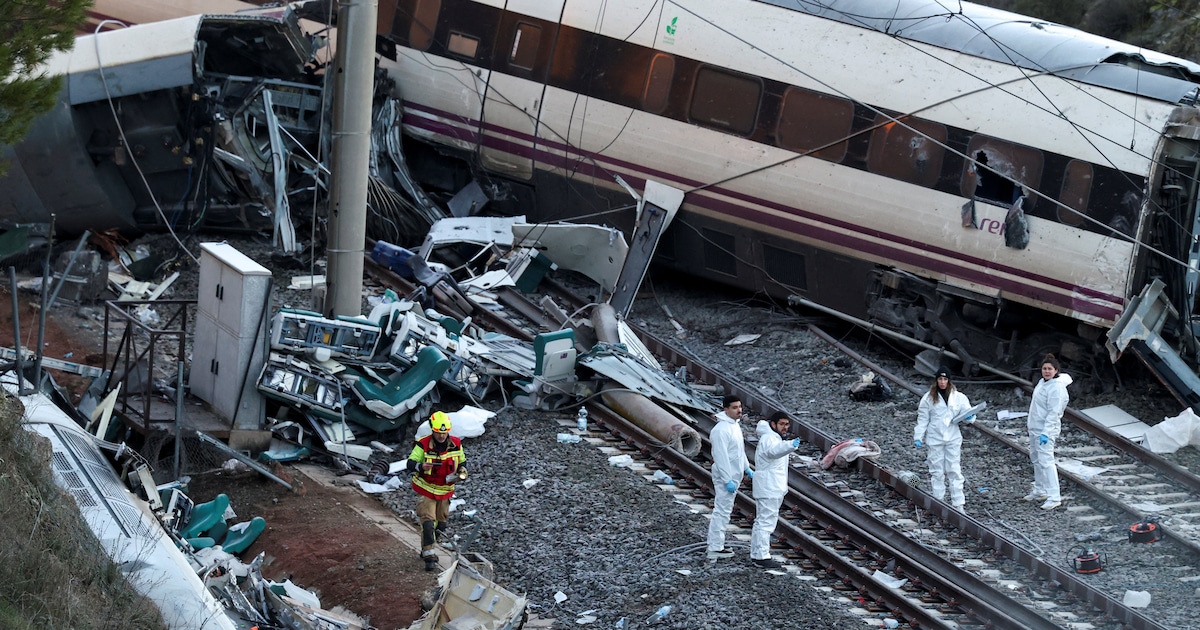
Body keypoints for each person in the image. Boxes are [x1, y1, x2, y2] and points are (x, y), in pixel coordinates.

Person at [404, 411, 467, 570]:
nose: (441, 436)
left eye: (444, 433)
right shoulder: (422, 445)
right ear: (433, 430)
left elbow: (463, 462)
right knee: (428, 523)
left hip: (445, 490)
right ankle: (429, 557)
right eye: (439, 433)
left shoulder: (456, 444)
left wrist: (462, 471)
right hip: (427, 489)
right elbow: (410, 463)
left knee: (441, 525)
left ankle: (427, 545)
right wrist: (421, 467)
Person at [913, 367, 973, 513]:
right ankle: (938, 501)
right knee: (937, 471)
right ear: (936, 380)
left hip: (952, 437)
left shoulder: (958, 397)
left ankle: (958, 504)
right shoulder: (928, 398)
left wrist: (969, 417)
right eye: (940, 379)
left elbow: (968, 413)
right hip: (935, 438)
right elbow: (923, 419)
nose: (942, 382)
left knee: (954, 469)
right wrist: (918, 436)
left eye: (945, 379)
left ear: (949, 381)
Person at [751, 411, 800, 569]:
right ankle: (761, 556)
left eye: (787, 424)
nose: (785, 427)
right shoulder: (769, 438)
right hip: (769, 487)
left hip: (771, 486)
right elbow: (774, 452)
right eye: (782, 424)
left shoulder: (774, 437)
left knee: (765, 521)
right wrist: (790, 445)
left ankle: (758, 554)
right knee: (765, 522)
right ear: (773, 424)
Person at [706, 395, 753, 560]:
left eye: (740, 407)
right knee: (722, 510)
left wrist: (747, 468)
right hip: (727, 476)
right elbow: (721, 457)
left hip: (734, 474)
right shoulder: (720, 430)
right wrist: (727, 480)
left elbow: (738, 450)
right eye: (734, 407)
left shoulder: (734, 425)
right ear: (725, 409)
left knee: (725, 510)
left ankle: (718, 545)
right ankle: (715, 547)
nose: (739, 410)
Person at [1025, 354, 1071, 510]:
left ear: (1056, 370)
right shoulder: (1042, 383)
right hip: (1035, 428)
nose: (1046, 371)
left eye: (1049, 369)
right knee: (1036, 460)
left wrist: (1047, 432)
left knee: (1047, 462)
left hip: (1045, 431)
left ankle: (1054, 496)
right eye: (1044, 369)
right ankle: (1040, 489)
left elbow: (1054, 413)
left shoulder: (1056, 388)